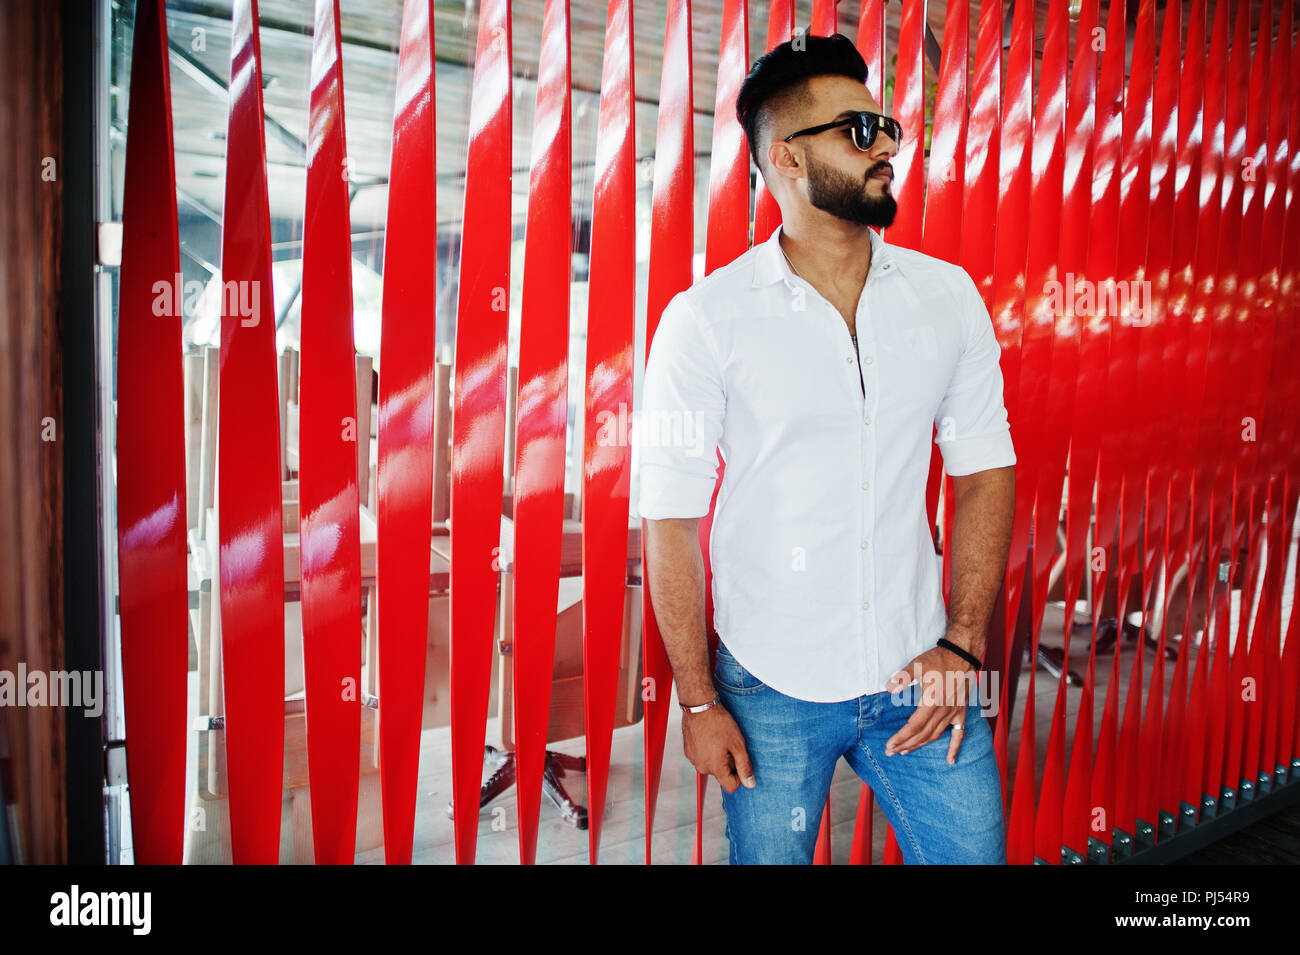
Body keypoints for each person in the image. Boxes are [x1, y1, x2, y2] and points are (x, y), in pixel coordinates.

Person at [638, 32, 1016, 864]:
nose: (886, 146)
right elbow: (669, 521)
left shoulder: (946, 298)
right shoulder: (705, 321)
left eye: (885, 126)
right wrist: (698, 703)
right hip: (768, 679)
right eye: (858, 130)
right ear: (788, 160)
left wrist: (964, 641)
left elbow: (984, 469)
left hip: (923, 665)